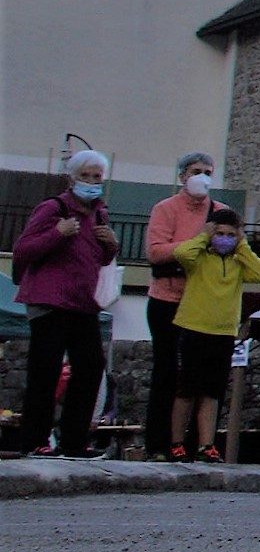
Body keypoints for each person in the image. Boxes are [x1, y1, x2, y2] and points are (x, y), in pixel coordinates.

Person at [11, 150, 118, 459]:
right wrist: (57, 234)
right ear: (72, 178)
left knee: (90, 366)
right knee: (45, 370)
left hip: (82, 302)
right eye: (86, 176)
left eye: (97, 177)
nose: (92, 182)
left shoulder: (100, 214)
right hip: (49, 300)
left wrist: (110, 246)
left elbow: (99, 259)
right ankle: (35, 440)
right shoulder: (52, 209)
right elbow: (23, 249)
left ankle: (73, 440)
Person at [166, 204, 260, 463]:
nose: (225, 239)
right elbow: (180, 252)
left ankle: (206, 444)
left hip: (223, 333)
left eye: (231, 235)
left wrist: (242, 245)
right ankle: (176, 443)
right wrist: (203, 236)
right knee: (186, 391)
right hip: (193, 327)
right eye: (220, 233)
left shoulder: (239, 262)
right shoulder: (199, 257)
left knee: (212, 392)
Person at [144, 151, 220, 462]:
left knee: (199, 377)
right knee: (167, 371)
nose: (202, 177)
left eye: (207, 172)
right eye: (196, 171)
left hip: (202, 302)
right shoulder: (166, 209)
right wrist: (195, 244)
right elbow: (156, 252)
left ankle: (193, 443)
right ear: (182, 176)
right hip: (167, 299)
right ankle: (158, 443)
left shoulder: (220, 211)